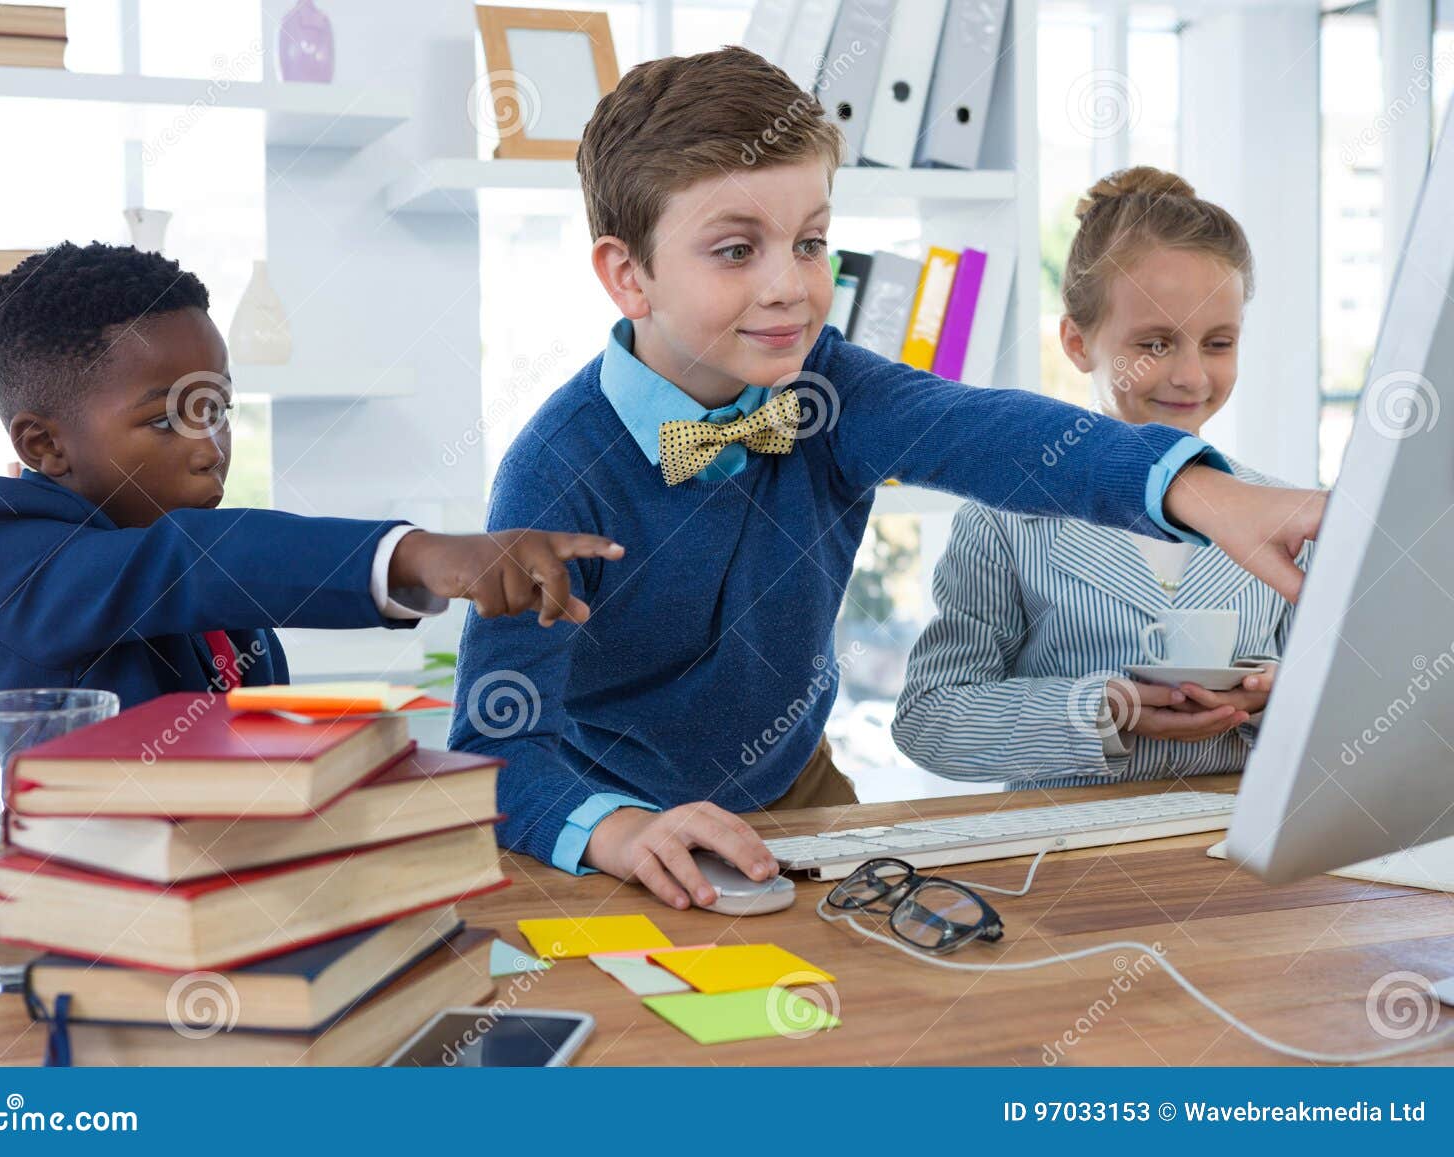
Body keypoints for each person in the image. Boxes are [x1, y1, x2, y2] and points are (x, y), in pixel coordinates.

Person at [448, 49, 1324, 910]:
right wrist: (619, 832)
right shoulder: (554, 471)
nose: (790, 287)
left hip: (797, 791)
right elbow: (500, 745)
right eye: (735, 250)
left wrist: (1209, 494)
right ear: (627, 275)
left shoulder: (829, 390)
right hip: (608, 819)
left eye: (810, 242)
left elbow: (998, 433)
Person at [0, 241, 622, 709]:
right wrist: (415, 552)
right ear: (45, 444)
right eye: (165, 419)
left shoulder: (221, 597)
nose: (212, 445)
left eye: (218, 408)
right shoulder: (2, 542)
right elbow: (189, 564)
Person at [892, 166, 1301, 787]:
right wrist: (1100, 709)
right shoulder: (1007, 518)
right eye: (1157, 344)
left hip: (1234, 849)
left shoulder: (1279, 514)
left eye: (1218, 343)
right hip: (1061, 860)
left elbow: (1355, 714)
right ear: (1078, 343)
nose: (1192, 376)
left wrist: (1284, 699)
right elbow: (931, 720)